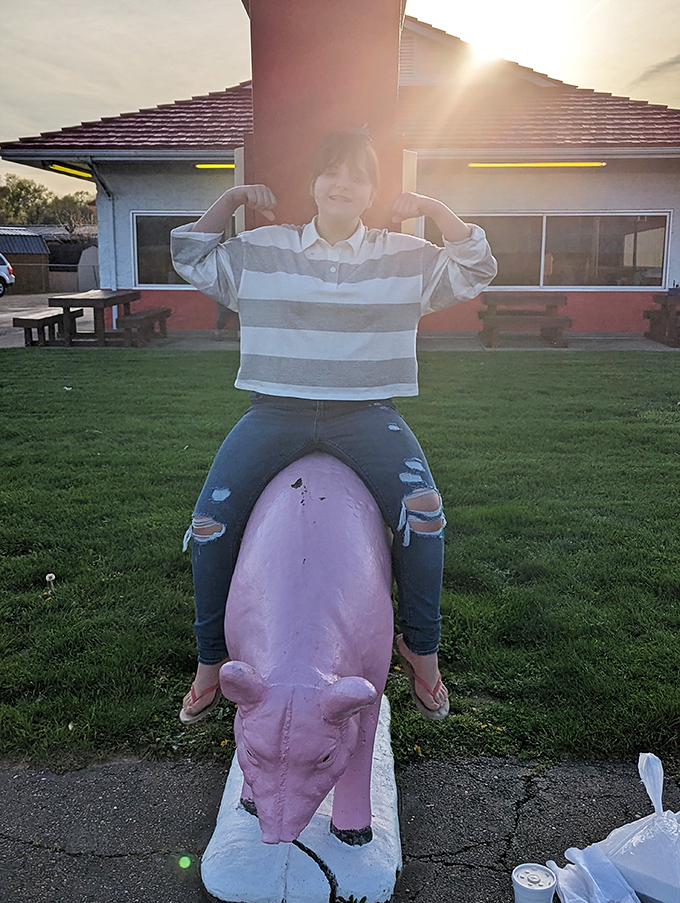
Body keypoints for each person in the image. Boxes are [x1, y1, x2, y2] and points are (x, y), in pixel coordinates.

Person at [171, 131, 497, 724]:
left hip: (367, 412)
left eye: (358, 176)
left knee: (424, 516)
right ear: (314, 183)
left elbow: (476, 266)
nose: (342, 184)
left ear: (373, 191)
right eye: (331, 172)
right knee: (210, 523)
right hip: (276, 409)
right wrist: (233, 198)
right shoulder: (263, 248)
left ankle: (421, 650)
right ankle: (211, 658)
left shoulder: (404, 256)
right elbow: (192, 255)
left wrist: (431, 208)